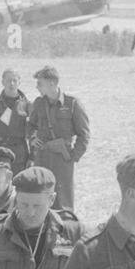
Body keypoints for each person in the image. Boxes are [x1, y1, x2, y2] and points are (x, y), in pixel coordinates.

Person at [26, 66, 89, 210]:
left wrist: (73, 157)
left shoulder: (72, 104)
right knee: (41, 195)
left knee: (63, 199)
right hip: (42, 157)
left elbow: (84, 134)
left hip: (62, 158)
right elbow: (30, 126)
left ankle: (65, 229)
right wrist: (32, 138)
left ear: (52, 84)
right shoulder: (39, 103)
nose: (37, 87)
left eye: (40, 83)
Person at [0, 69, 31, 173]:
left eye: (14, 80)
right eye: (8, 80)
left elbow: (33, 131)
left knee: (20, 184)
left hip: (20, 152)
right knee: (0, 186)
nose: (11, 84)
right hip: (0, 150)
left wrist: (32, 157)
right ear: (3, 82)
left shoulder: (27, 105)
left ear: (19, 82)